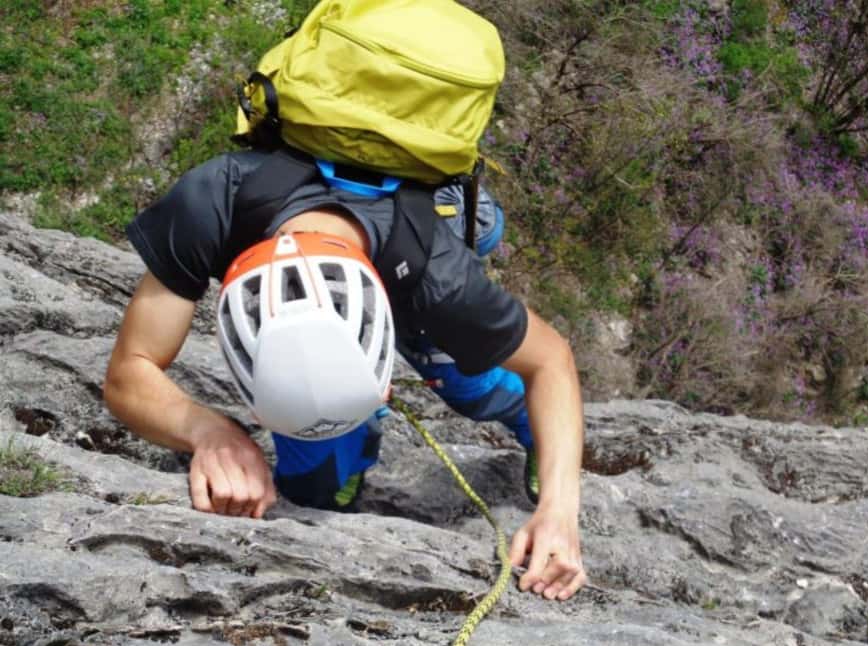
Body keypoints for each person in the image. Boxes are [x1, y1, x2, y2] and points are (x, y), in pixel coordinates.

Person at [103, 150, 587, 602]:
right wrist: (209, 432)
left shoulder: (439, 278)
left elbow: (549, 361)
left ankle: (527, 423)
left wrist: (560, 513)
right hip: (355, 241)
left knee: (471, 386)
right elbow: (130, 371)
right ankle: (341, 459)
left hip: (413, 248)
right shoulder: (213, 201)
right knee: (315, 476)